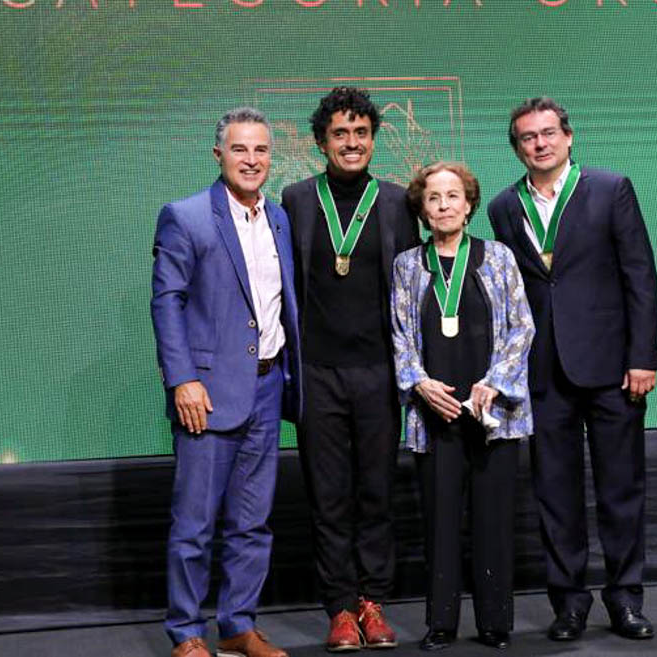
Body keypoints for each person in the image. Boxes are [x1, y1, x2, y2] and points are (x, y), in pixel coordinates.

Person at [486, 98, 657, 642]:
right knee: (555, 495)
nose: (539, 144)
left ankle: (626, 599)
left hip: (613, 368)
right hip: (543, 374)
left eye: (547, 134)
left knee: (620, 490)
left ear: (568, 137)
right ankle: (569, 604)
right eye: (527, 138)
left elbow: (640, 276)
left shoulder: (611, 189)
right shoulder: (501, 207)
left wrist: (643, 357)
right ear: (517, 147)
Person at [151, 107, 302, 657]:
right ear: (219, 155)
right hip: (208, 394)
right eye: (240, 149)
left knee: (252, 524)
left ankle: (238, 625)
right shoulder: (186, 217)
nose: (252, 159)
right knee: (194, 524)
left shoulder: (280, 219)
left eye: (261, 150)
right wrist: (183, 380)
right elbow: (167, 304)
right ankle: (186, 632)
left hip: (267, 388)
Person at [280, 87, 421, 652]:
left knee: (376, 494)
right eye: (341, 133)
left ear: (373, 139)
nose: (352, 142)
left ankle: (373, 602)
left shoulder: (395, 203)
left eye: (361, 133)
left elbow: (413, 290)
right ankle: (339, 608)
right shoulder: (294, 200)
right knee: (329, 495)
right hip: (318, 371)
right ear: (322, 141)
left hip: (379, 373)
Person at [391, 162, 534, 652]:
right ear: (423, 208)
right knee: (440, 521)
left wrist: (495, 383)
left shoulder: (498, 258)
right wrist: (419, 383)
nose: (445, 205)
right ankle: (441, 622)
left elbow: (522, 327)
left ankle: (495, 622)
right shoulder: (408, 265)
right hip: (435, 414)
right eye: (434, 198)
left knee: (494, 520)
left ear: (469, 204)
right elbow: (399, 335)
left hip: (489, 412)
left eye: (453, 196)